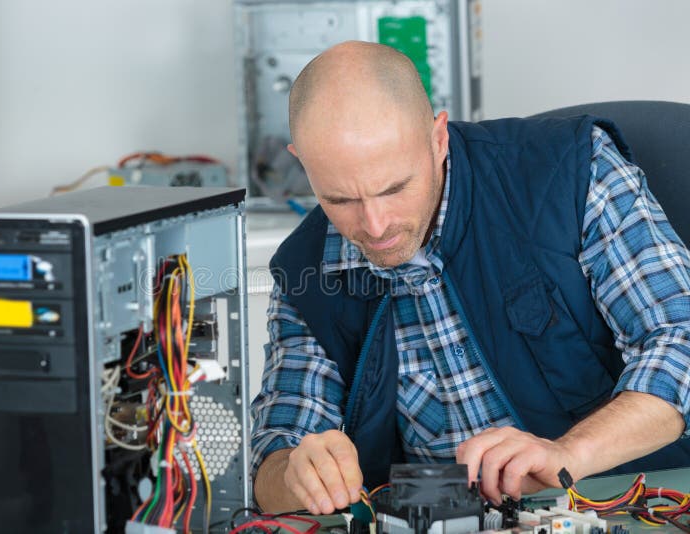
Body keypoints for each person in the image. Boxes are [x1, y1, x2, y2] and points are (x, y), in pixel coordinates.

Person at [249, 40, 690, 515]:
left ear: (438, 138)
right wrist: (297, 472)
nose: (375, 227)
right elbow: (274, 458)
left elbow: (679, 338)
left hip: (634, 505)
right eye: (340, 199)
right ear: (303, 161)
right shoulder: (304, 272)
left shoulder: (570, 171)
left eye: (396, 187)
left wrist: (568, 453)